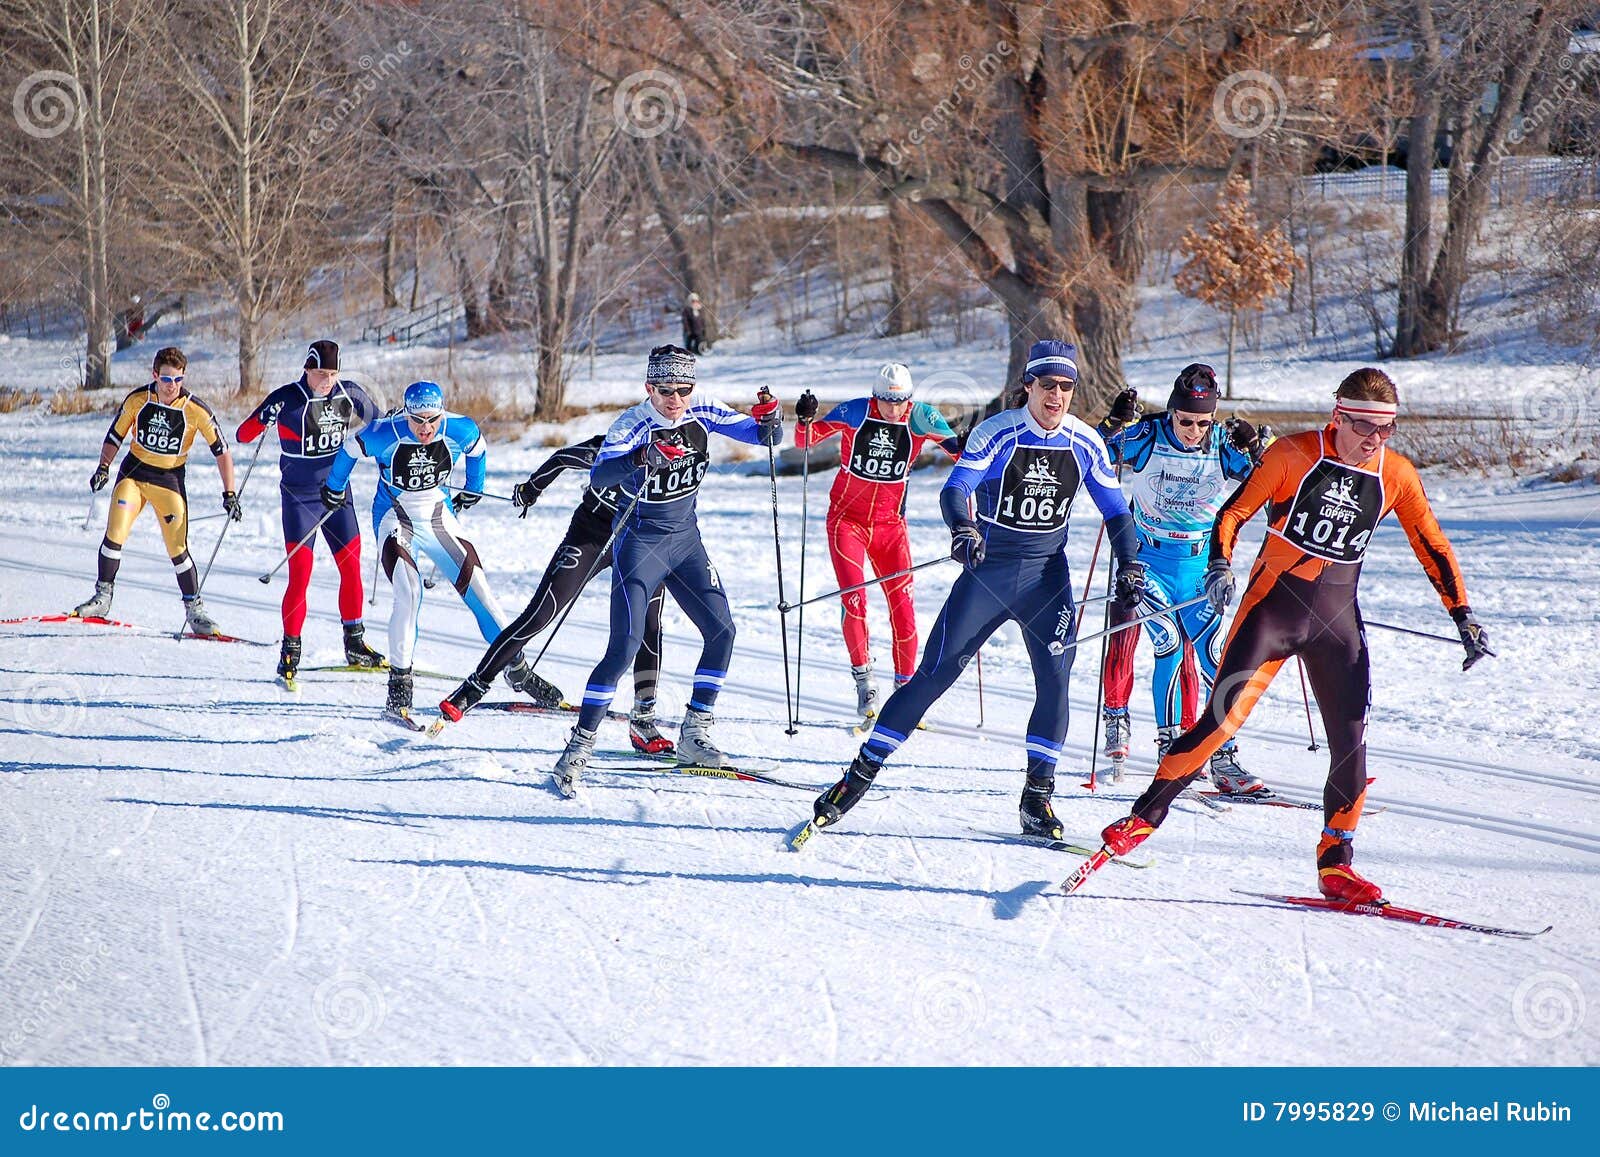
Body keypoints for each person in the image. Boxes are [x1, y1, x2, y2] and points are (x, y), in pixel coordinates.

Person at [1097, 368, 1493, 903]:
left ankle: (1336, 863)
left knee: (1351, 745)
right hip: (1271, 615)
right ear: (1338, 416)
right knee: (1220, 721)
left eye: (1386, 430)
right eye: (1362, 427)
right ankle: (1142, 819)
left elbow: (1434, 547)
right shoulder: (1291, 454)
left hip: (1337, 625)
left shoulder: (1395, 474)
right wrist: (1220, 563)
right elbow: (1232, 514)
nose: (1373, 440)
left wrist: (1463, 615)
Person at [810, 340, 1145, 839]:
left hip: (1046, 578)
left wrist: (1130, 565)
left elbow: (1116, 511)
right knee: (933, 676)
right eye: (1048, 386)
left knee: (1055, 680)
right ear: (1028, 386)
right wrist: (963, 530)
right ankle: (855, 779)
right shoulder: (999, 432)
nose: (1056, 396)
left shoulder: (1084, 442)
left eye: (1066, 387)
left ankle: (1037, 801)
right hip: (988, 571)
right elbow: (956, 488)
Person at [550, 345, 782, 794]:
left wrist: (776, 421)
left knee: (723, 632)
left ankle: (694, 734)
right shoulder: (633, 423)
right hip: (639, 542)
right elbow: (599, 477)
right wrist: (640, 458)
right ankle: (578, 747)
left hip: (685, 541)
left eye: (684, 389)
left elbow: (762, 437)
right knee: (625, 647)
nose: (675, 399)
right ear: (648, 388)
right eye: (665, 390)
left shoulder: (703, 410)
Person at [436, 432, 673, 754]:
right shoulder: (614, 445)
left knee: (649, 625)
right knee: (540, 613)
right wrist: (531, 489)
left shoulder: (677, 456)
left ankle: (644, 719)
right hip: (592, 533)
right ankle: (473, 688)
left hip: (642, 542)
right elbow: (561, 458)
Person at [1095, 363, 1271, 790]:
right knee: (1169, 645)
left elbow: (1271, 483)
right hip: (1148, 562)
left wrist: (1260, 449)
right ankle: (1171, 750)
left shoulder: (1221, 445)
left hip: (1197, 566)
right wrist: (1112, 422)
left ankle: (1222, 757)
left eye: (1202, 422)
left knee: (1218, 658)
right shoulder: (1149, 435)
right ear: (1172, 411)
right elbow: (1095, 455)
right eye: (1186, 420)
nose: (1193, 430)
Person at [320, 380, 530, 725]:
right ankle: (399, 688)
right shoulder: (384, 432)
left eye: (432, 419)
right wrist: (334, 488)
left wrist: (474, 489)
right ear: (406, 414)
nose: (426, 428)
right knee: (409, 592)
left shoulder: (459, 428)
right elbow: (349, 450)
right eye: (417, 421)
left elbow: (478, 450)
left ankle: (517, 667)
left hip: (438, 517)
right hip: (395, 518)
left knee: (481, 591)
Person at [794, 363, 963, 718]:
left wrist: (966, 440)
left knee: (904, 610)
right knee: (854, 601)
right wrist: (804, 419)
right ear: (875, 397)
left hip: (890, 527)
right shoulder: (855, 411)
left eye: (900, 401)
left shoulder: (922, 418)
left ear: (910, 399)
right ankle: (865, 683)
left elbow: (961, 455)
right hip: (846, 523)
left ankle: (904, 692)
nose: (893, 408)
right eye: (886, 400)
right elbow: (803, 441)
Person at [236, 339, 385, 686]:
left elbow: (379, 427)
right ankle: (290, 651)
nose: (327, 380)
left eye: (333, 373)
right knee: (300, 575)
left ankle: (355, 643)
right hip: (299, 497)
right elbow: (244, 435)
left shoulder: (348, 394)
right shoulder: (286, 398)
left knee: (351, 567)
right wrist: (263, 419)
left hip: (337, 493)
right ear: (307, 368)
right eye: (321, 373)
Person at [71, 347, 240, 635]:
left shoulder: (196, 410)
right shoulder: (139, 400)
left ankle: (194, 610)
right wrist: (103, 467)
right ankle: (102, 596)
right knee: (115, 533)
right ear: (155, 376)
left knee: (177, 548)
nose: (171, 386)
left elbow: (222, 452)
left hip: (169, 481)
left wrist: (229, 493)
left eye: (177, 380)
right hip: (134, 475)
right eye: (165, 379)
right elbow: (115, 435)